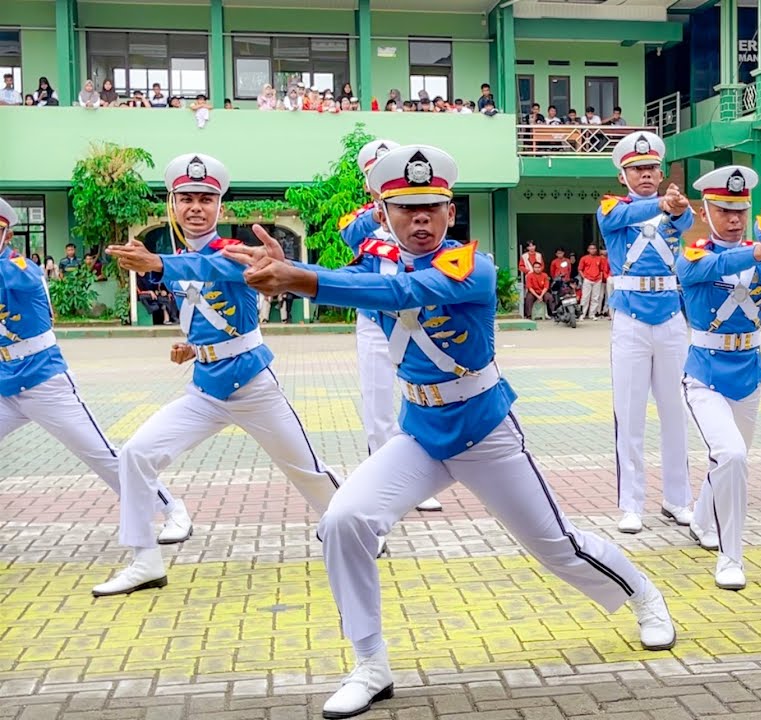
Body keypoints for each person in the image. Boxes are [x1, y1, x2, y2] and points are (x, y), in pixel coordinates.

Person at [222, 144, 677, 717]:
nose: (420, 219)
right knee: (345, 520)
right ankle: (370, 663)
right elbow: (355, 278)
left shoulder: (470, 267)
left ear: (450, 211)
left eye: (431, 207)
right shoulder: (373, 261)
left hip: (485, 431)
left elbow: (401, 294)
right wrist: (278, 274)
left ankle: (644, 596)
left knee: (556, 547)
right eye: (405, 208)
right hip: (421, 434)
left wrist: (302, 280)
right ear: (382, 212)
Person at [96, 153, 347, 597]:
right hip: (205, 389)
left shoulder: (233, 252)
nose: (196, 207)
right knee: (136, 453)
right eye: (187, 198)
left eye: (206, 200)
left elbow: (215, 270)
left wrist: (157, 265)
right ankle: (144, 559)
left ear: (219, 208)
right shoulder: (173, 262)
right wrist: (191, 347)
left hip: (253, 385)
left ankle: (357, 529)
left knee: (305, 469)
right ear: (173, 204)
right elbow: (206, 312)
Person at [0, 196, 191, 550]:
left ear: (6, 234)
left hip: (45, 382)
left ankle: (172, 508)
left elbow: (17, 279)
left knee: (101, 455)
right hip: (5, 383)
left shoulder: (22, 268)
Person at [678, 165, 761, 589]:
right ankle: (731, 556)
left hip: (749, 372)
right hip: (705, 373)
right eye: (724, 209)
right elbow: (709, 268)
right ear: (705, 211)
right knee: (732, 456)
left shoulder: (756, 253)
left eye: (740, 209)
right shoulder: (693, 255)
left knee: (729, 456)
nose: (735, 218)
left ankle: (703, 519)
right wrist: (760, 252)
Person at [338, 139, 443, 513]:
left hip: (420, 322)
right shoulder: (361, 218)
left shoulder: (418, 209)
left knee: (423, 399)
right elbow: (349, 235)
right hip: (376, 323)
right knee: (378, 405)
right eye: (375, 171)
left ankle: (417, 482)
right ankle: (382, 486)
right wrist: (385, 204)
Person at [597, 131, 693, 533]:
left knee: (676, 413)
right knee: (630, 414)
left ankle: (677, 499)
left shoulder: (674, 208)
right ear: (623, 175)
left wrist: (675, 204)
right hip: (630, 318)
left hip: (671, 315)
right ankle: (631, 503)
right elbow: (620, 217)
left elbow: (685, 219)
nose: (647, 174)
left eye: (652, 167)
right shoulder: (611, 207)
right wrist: (660, 203)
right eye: (637, 169)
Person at [578, 243, 608, 320]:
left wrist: (600, 278)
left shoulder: (599, 258)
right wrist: (584, 277)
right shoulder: (584, 258)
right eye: (591, 248)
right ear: (588, 250)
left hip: (597, 280)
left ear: (596, 250)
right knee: (585, 297)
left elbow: (601, 270)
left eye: (594, 248)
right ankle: (582, 314)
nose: (592, 250)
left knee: (595, 298)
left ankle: (592, 314)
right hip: (587, 279)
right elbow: (580, 269)